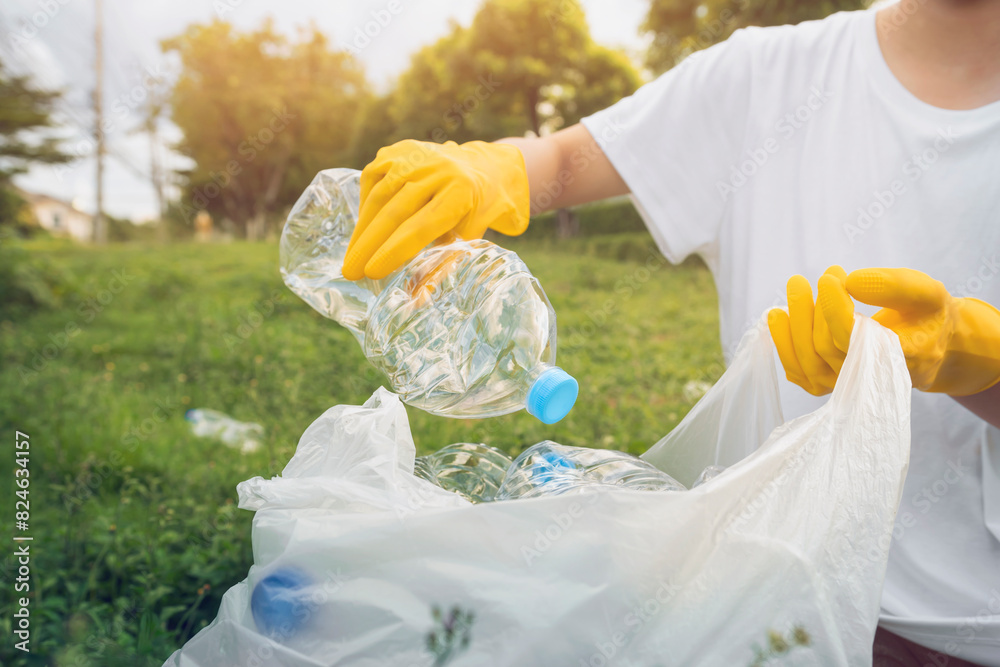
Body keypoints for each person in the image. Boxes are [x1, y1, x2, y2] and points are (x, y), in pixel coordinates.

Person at [342, 0, 1000, 664]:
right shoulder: (762, 76)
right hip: (761, 592)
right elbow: (565, 158)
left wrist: (975, 359)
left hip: (968, 630)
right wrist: (494, 170)